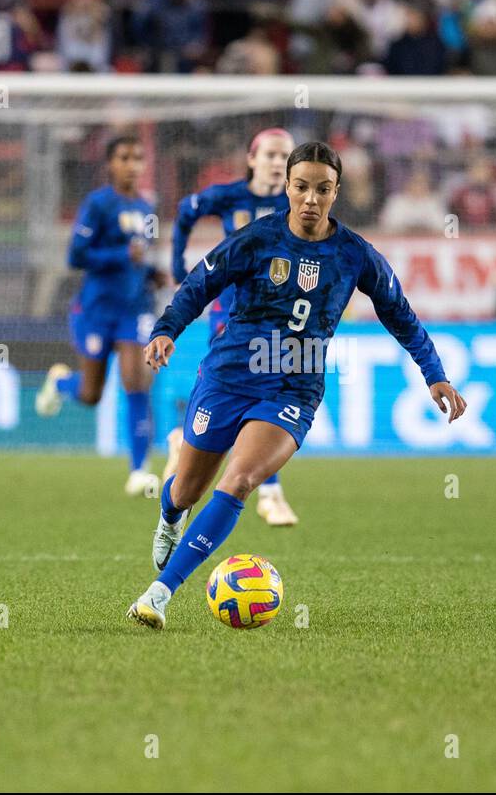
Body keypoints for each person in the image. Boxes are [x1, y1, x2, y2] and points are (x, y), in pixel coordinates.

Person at [127, 141, 467, 629]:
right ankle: (170, 517)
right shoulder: (256, 238)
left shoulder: (355, 255)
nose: (311, 199)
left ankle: (159, 594)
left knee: (240, 481)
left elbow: (401, 315)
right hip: (227, 376)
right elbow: (200, 285)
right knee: (185, 489)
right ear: (287, 187)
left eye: (322, 190)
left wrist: (434, 374)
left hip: (292, 389)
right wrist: (165, 330)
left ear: (336, 193)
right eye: (302, 187)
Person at [167, 127, 299, 525]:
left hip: (275, 313)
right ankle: (270, 494)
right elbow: (186, 211)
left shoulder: (293, 202)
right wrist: (178, 265)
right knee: (246, 386)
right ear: (252, 159)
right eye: (272, 156)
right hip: (230, 311)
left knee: (269, 389)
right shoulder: (228, 197)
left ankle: (185, 439)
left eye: (285, 157)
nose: (279, 164)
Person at [35, 136, 162, 496]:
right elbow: (76, 257)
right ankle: (60, 383)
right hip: (96, 309)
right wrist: (123, 255)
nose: (133, 164)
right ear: (110, 164)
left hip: (135, 308)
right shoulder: (98, 204)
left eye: (138, 157)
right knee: (91, 394)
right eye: (125, 157)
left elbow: (143, 256)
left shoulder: (149, 208)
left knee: (137, 381)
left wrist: (152, 272)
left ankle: (139, 470)